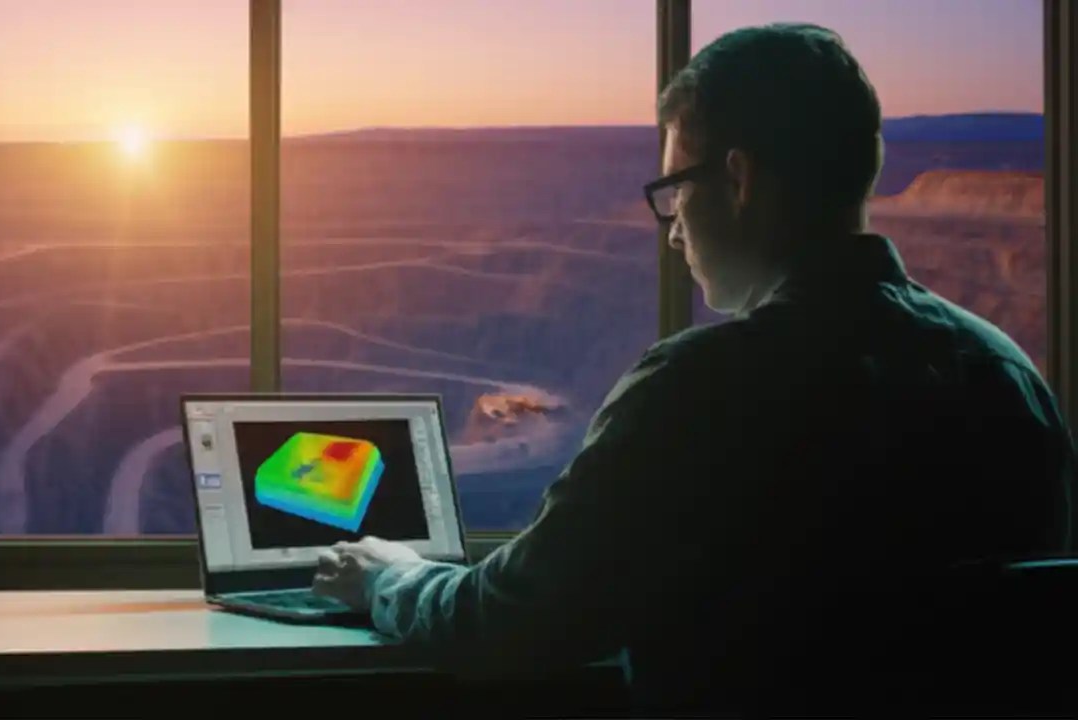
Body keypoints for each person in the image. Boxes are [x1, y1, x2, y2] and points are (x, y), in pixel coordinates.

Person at [311, 22, 1075, 714]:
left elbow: (508, 621)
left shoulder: (701, 390)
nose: (671, 230)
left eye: (676, 189)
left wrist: (390, 578)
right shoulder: (1005, 377)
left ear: (739, 180)